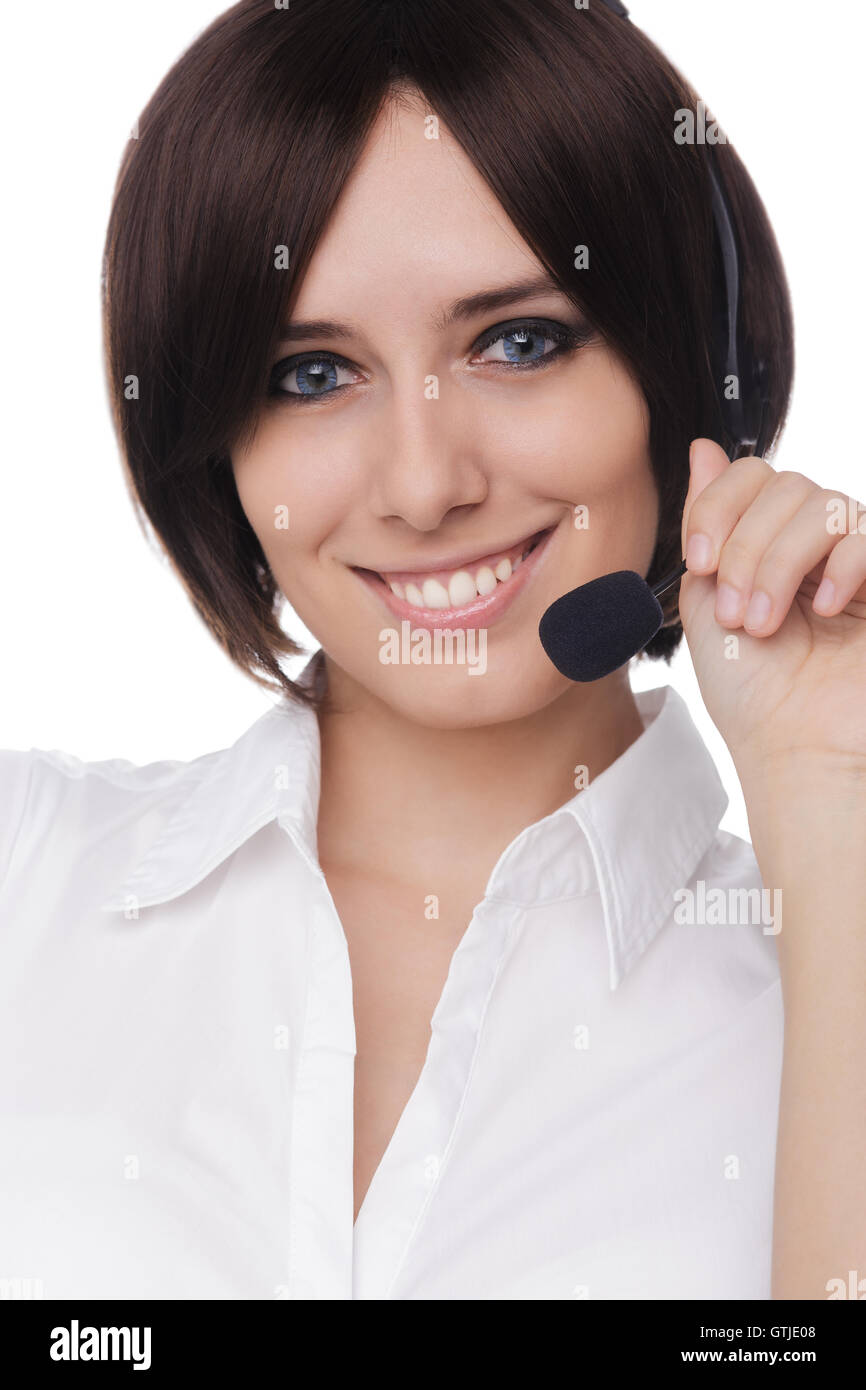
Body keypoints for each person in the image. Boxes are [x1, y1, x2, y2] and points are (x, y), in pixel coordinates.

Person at [0, 0, 863, 1301]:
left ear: (686, 378)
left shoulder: (816, 967)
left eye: (517, 343)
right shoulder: (27, 871)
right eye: (309, 373)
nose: (420, 483)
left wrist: (826, 791)